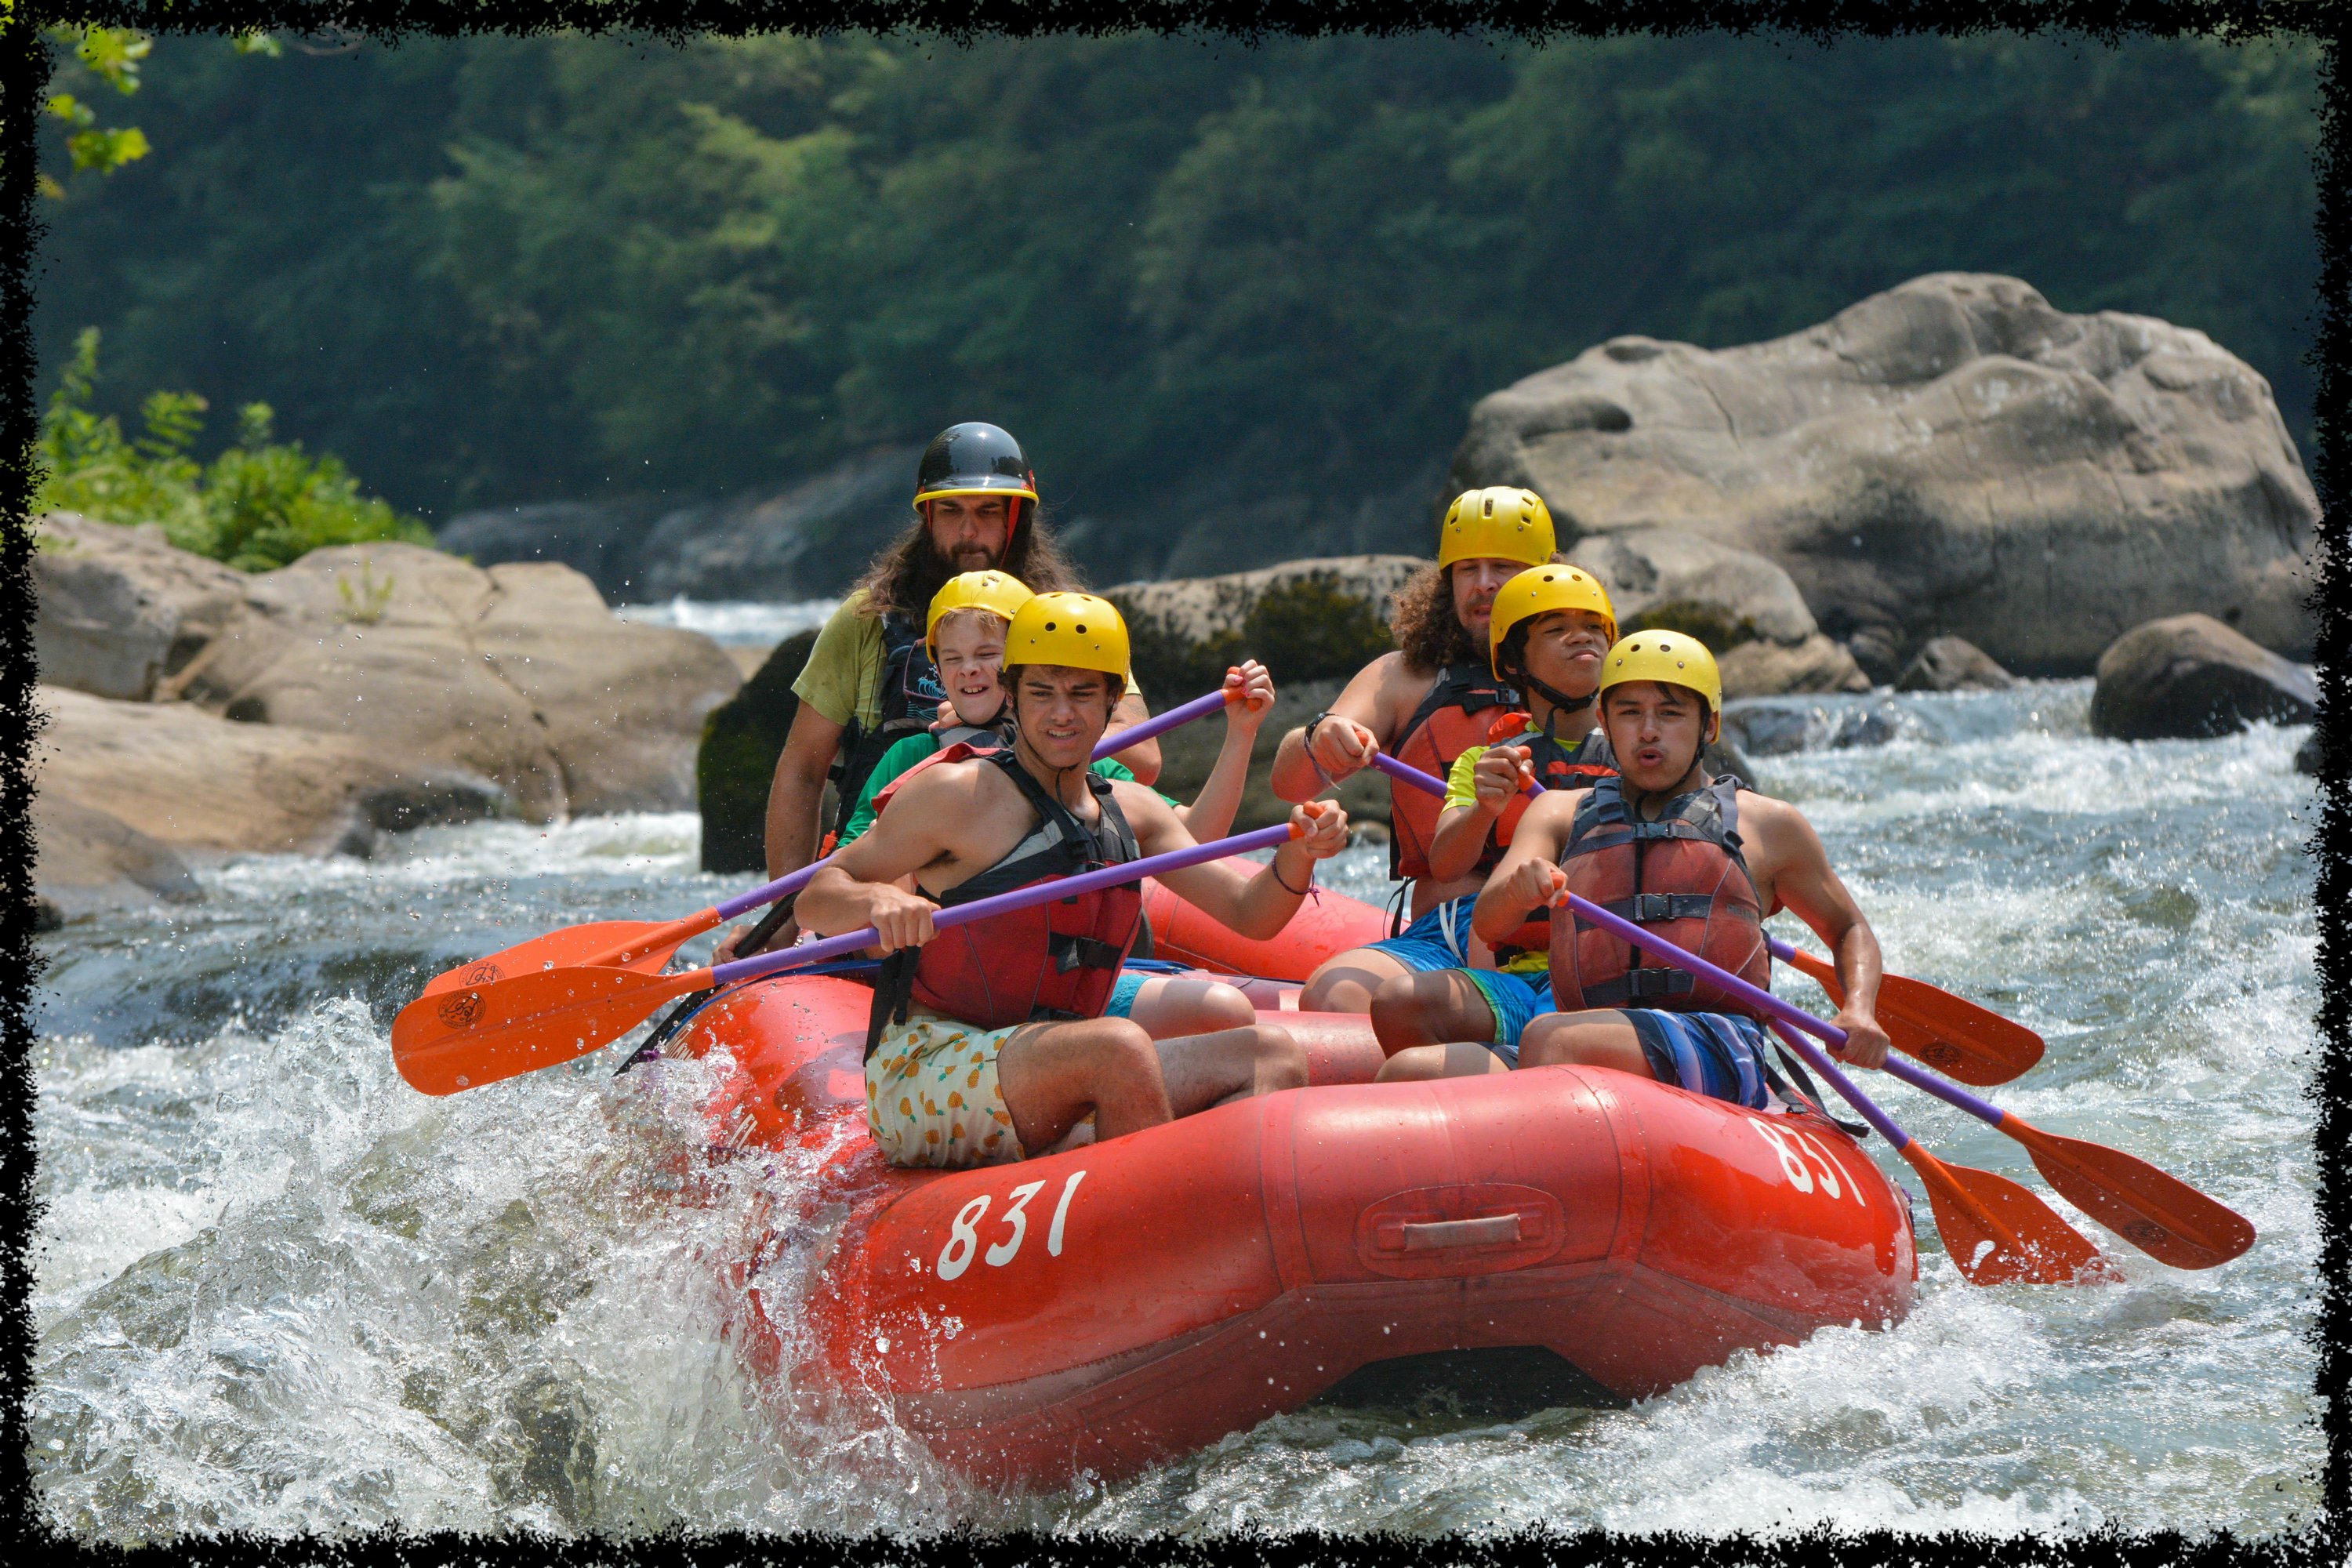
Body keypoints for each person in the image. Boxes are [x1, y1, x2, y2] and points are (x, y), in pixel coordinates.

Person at [796, 593, 1350, 1170]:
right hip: (930, 1067)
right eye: (1042, 693)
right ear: (1012, 695)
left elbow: (1251, 914)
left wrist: (1300, 853)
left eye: (1083, 694)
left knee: (1270, 1053)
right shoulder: (955, 794)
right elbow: (816, 897)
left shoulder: (1134, 811)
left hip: (1060, 1063)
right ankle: (1146, 1202)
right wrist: (875, 900)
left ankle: (1208, 1207)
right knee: (1116, 1047)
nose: (1062, 713)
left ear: (1112, 701)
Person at [1377, 632, 1894, 1107]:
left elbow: (1848, 927)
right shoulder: (1559, 813)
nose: (1648, 731)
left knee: (1553, 1039)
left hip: (1714, 1040)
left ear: (1709, 726)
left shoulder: (1767, 823)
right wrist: (1518, 890)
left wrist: (1859, 1009)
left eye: (1670, 713)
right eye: (1629, 713)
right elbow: (1490, 924)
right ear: (1605, 722)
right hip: (1580, 1037)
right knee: (1407, 1074)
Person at [735, 423, 1160, 956]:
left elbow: (1142, 754)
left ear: (1016, 520)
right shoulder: (868, 619)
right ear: (928, 518)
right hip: (897, 871)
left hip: (1044, 865)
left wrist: (1016, 727)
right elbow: (803, 768)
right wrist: (787, 918)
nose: (968, 532)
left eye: (988, 513)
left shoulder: (1063, 620)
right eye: (952, 511)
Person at [846, 570, 1282, 1042]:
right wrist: (884, 901)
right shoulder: (916, 762)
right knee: (1115, 1047)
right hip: (961, 999)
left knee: (1223, 1012)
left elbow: (1194, 841)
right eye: (953, 658)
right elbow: (851, 865)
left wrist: (1241, 735)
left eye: (987, 655)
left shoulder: (1083, 765)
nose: (970, 670)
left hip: (1066, 986)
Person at [1266, 486, 1562, 1012]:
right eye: (1467, 569)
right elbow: (1290, 783)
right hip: (1445, 933)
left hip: (1565, 934)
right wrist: (1320, 735)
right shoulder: (1404, 678)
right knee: (1335, 995)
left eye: (1503, 566)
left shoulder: (1588, 683)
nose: (1484, 583)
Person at [1366, 564, 1618, 1072]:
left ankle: (1524, 1067)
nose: (1581, 638)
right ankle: (1505, 1074)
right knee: (1397, 1002)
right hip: (1519, 974)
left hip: (1602, 976)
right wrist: (1485, 808)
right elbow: (1447, 864)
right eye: (1557, 628)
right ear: (1515, 660)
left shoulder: (1634, 758)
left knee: (1552, 1031)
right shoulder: (1484, 762)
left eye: (1594, 627)